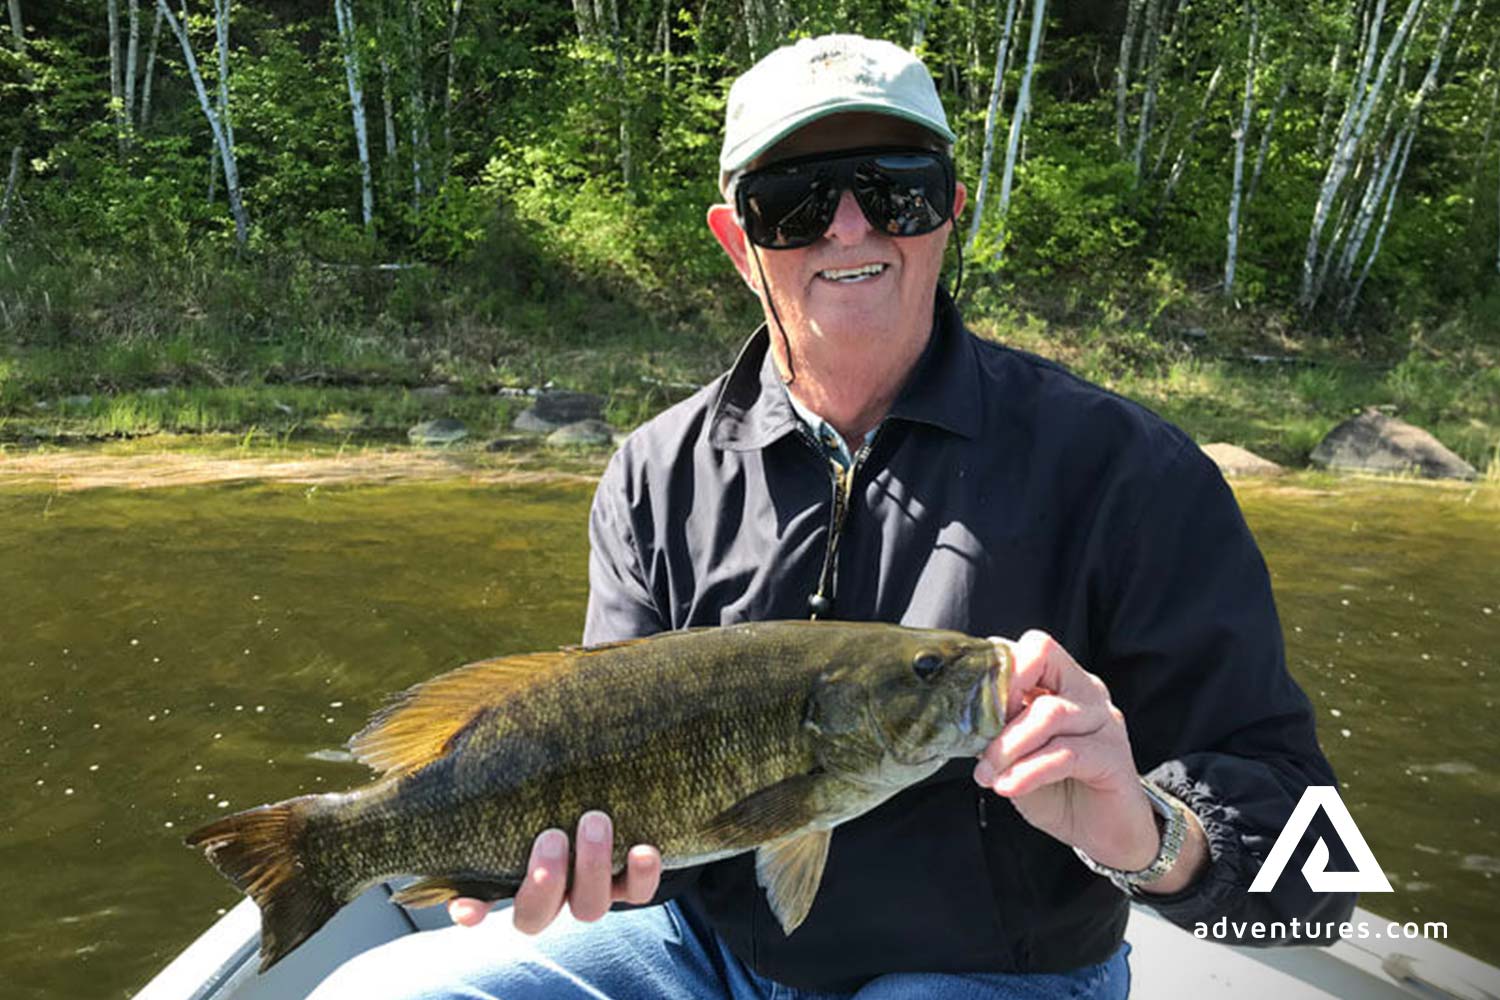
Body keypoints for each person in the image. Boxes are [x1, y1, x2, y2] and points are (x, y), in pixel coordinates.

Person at [312, 34, 1355, 1000]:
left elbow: (1316, 864)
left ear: (950, 207)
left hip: (993, 974)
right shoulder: (654, 475)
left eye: (891, 192)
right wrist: (557, 867)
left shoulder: (1127, 472)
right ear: (737, 239)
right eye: (794, 202)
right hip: (697, 948)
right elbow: (601, 773)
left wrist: (1149, 833)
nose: (848, 228)